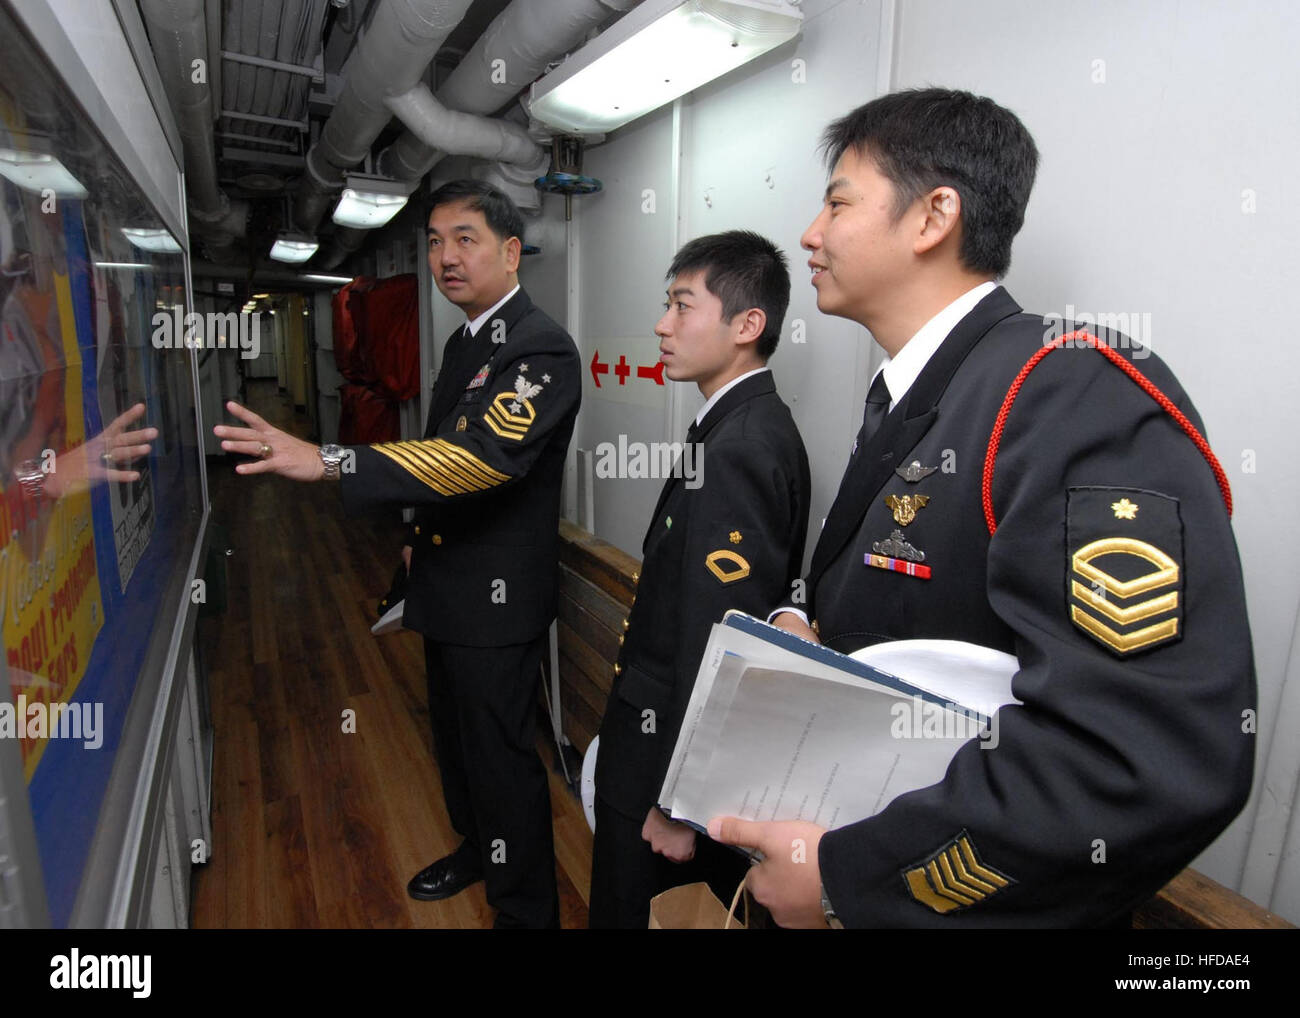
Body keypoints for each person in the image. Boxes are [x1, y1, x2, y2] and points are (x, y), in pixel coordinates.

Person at [707, 88, 1256, 927]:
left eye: (837, 202)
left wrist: (847, 878)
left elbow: (1138, 762)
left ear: (933, 217)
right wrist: (813, 636)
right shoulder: (918, 398)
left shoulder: (1066, 388)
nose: (811, 236)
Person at [214, 180, 580, 929]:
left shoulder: (541, 347)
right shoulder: (465, 340)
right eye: (436, 242)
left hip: (495, 601)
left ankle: (525, 909)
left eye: (465, 239)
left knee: (501, 762)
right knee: (453, 742)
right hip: (446, 582)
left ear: (511, 252)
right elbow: (442, 463)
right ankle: (479, 849)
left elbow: (479, 461)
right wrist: (417, 545)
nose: (445, 257)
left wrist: (334, 462)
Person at [588, 231, 811, 928]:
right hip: (654, 739)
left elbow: (721, 646)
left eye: (683, 306)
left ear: (748, 326)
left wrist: (678, 805)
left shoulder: (742, 446)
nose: (662, 324)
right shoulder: (734, 426)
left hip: (667, 761)